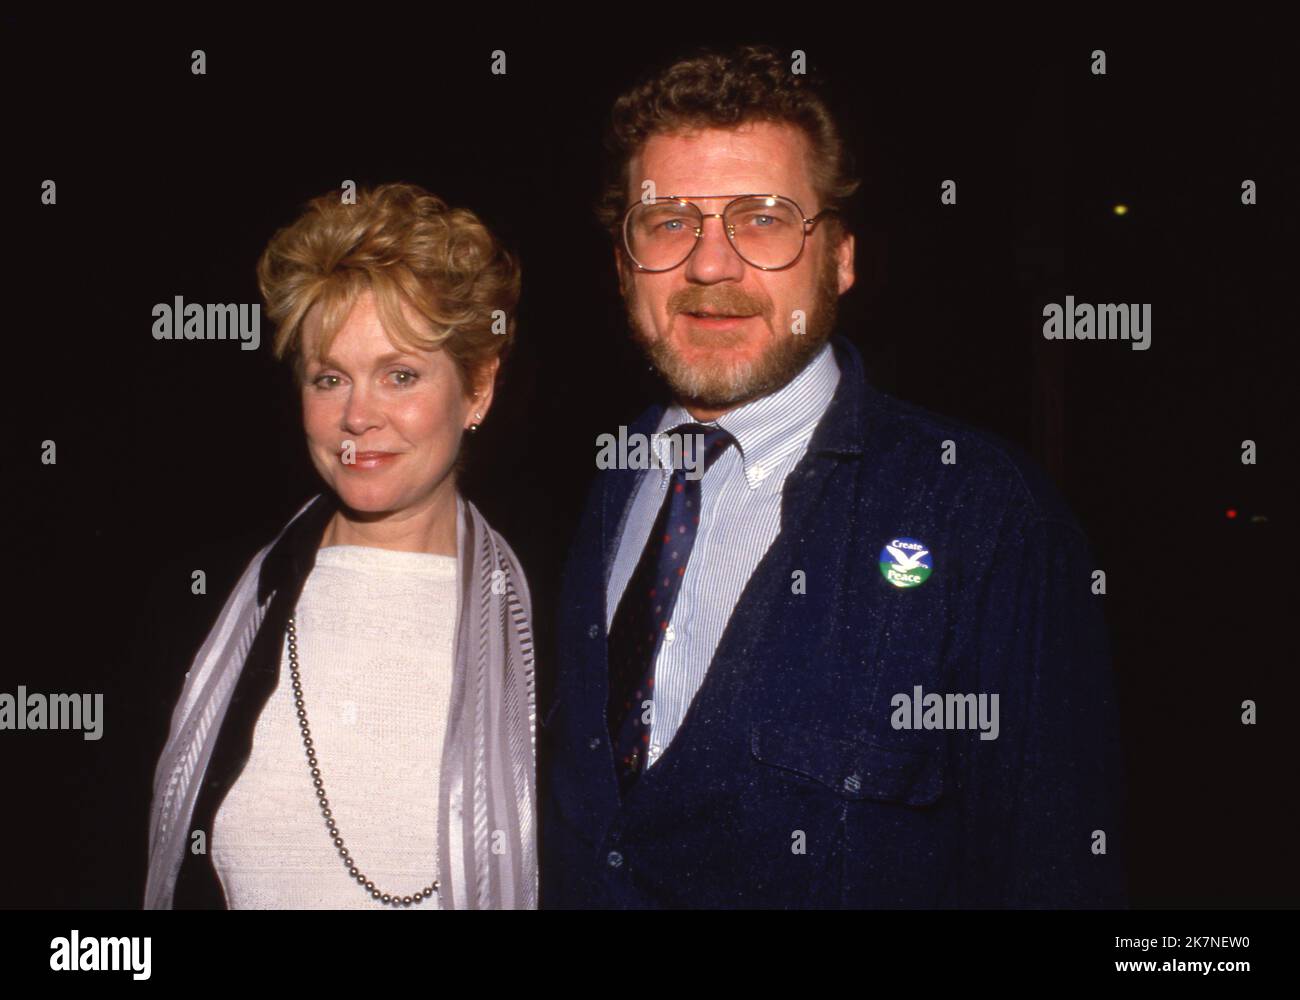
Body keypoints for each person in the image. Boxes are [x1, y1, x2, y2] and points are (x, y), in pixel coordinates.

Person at [540, 45, 1127, 907]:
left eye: (764, 219)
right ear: (623, 266)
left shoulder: (987, 519)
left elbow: (1055, 873)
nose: (711, 265)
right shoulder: (608, 484)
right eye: (668, 223)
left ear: (840, 260)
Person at [144, 183, 536, 909]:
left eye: (400, 375)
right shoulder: (223, 609)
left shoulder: (550, 627)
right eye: (330, 378)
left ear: (478, 388)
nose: (358, 416)